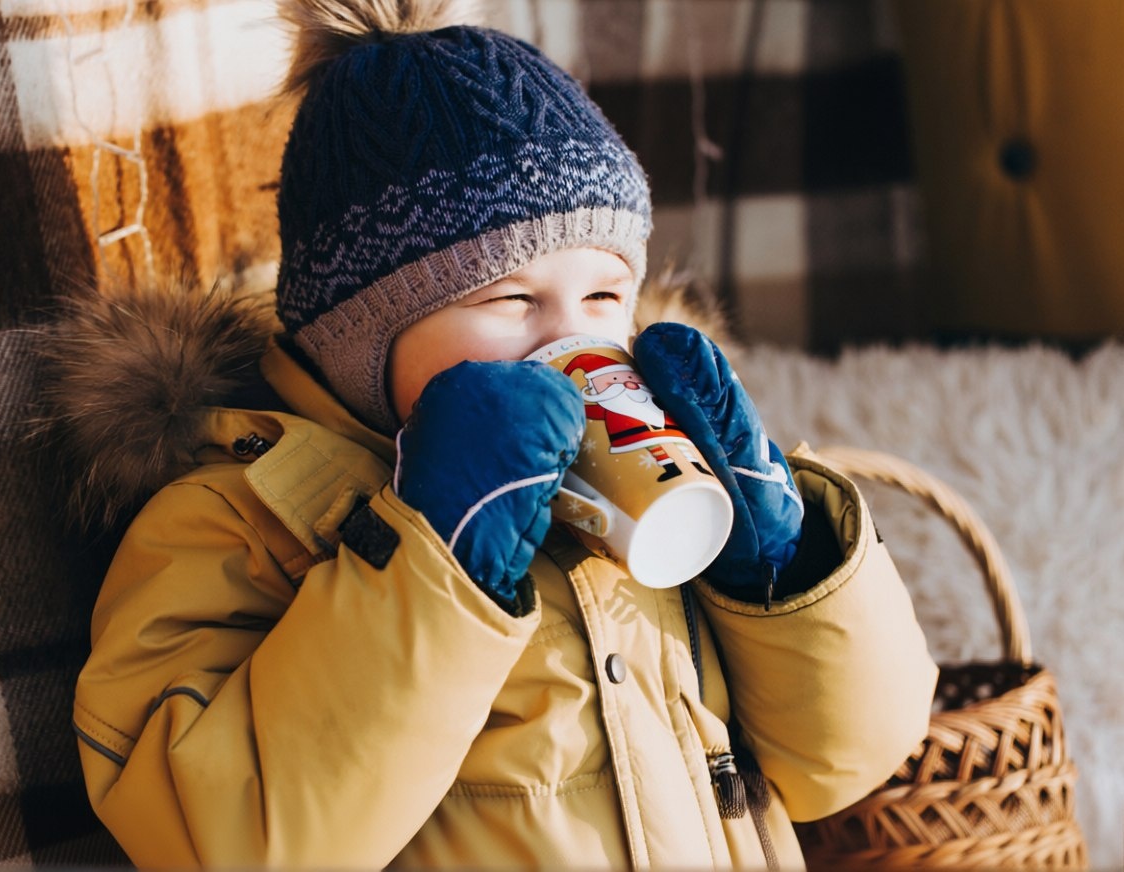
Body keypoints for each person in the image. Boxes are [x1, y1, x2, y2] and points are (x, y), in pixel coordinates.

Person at [58, 0, 938, 866]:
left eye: (602, 297)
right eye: (511, 299)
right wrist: (437, 557)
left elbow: (843, 765)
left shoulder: (658, 478)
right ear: (363, 334)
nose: (569, 338)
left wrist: (782, 567)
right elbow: (229, 842)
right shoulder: (240, 517)